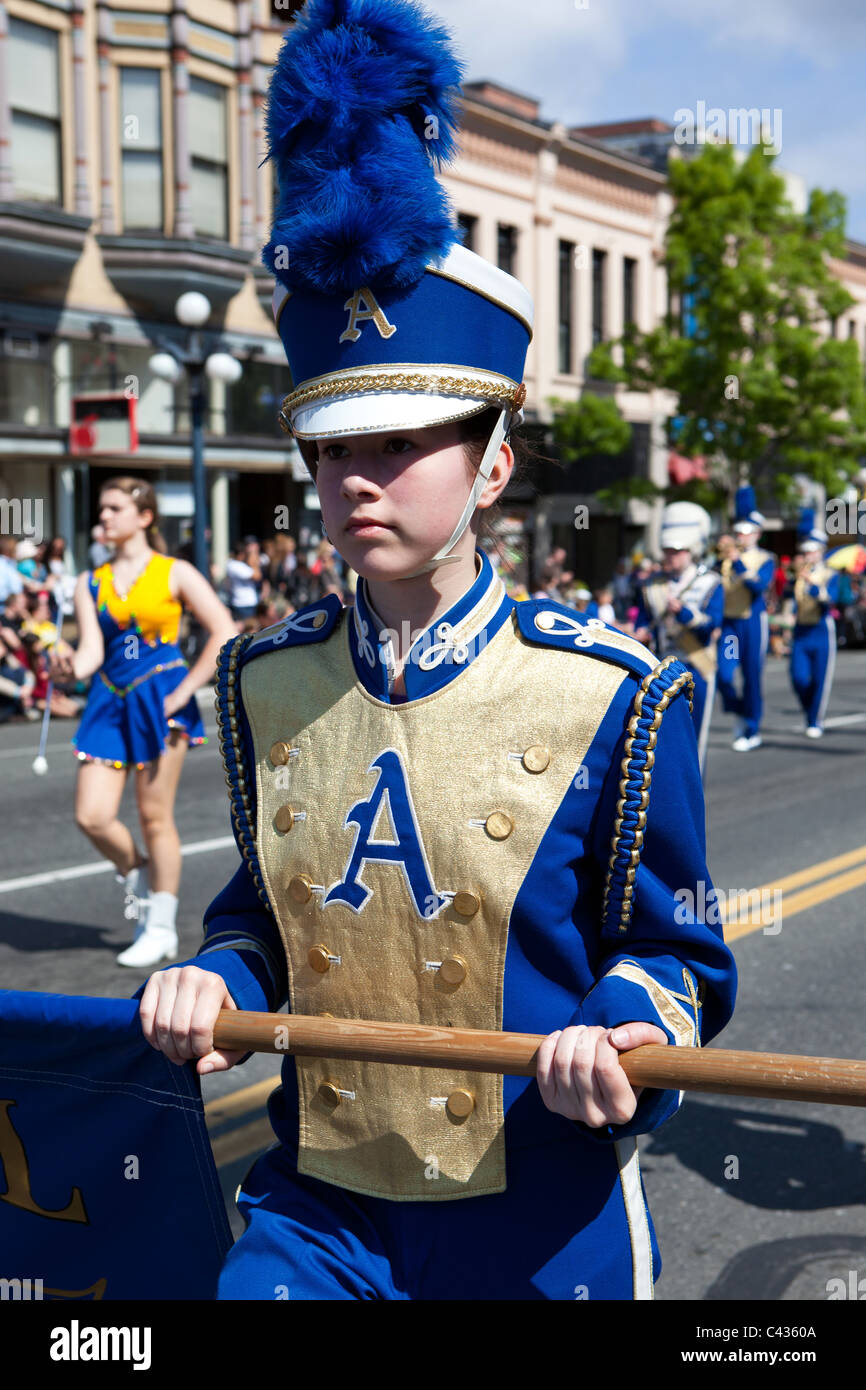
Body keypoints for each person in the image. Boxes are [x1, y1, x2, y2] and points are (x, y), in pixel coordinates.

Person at [136, 0, 735, 1301]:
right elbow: (266, 909)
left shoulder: (617, 692)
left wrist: (626, 1024)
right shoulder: (264, 677)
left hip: (536, 1218)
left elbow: (680, 949)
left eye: (398, 445)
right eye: (334, 449)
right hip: (318, 1208)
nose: (358, 480)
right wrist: (214, 973)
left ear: (493, 464)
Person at [49, 476, 236, 968]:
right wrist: (69, 666)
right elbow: (91, 652)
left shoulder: (174, 572)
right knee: (91, 815)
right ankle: (136, 871)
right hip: (109, 699)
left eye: (113, 509)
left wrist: (183, 691)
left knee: (155, 817)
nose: (102, 518)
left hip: (161, 699)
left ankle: (159, 925)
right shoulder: (88, 582)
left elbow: (223, 631)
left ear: (144, 516)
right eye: (102, 509)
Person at [634, 503, 723, 774]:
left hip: (697, 666)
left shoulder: (710, 582)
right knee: (657, 740)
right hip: (662, 668)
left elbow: (712, 626)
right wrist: (638, 630)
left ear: (690, 551)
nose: (670, 556)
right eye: (667, 551)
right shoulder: (652, 585)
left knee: (694, 744)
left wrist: (684, 613)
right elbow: (644, 618)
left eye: (677, 551)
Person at [716, 487, 775, 752]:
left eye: (745, 532)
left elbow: (758, 586)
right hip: (729, 624)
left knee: (751, 677)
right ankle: (740, 711)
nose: (740, 536)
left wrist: (738, 562)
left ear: (757, 533)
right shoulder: (724, 558)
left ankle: (752, 728)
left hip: (752, 622)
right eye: (738, 531)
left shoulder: (765, 558)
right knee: (725, 676)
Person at [788, 511, 839, 738]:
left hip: (821, 629)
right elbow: (788, 596)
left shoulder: (830, 573)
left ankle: (814, 719)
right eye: (805, 551)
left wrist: (813, 584)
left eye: (812, 550)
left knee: (819, 679)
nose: (808, 555)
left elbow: (832, 599)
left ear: (820, 551)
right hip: (801, 630)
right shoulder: (799, 573)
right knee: (798, 677)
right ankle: (808, 707)